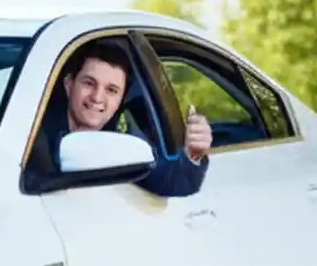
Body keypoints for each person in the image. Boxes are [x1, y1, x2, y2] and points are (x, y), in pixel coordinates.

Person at [39, 40, 212, 197]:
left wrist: (193, 154)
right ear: (69, 85)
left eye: (111, 90)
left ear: (120, 100)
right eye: (89, 83)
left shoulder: (118, 143)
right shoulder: (34, 138)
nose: (97, 97)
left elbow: (168, 181)